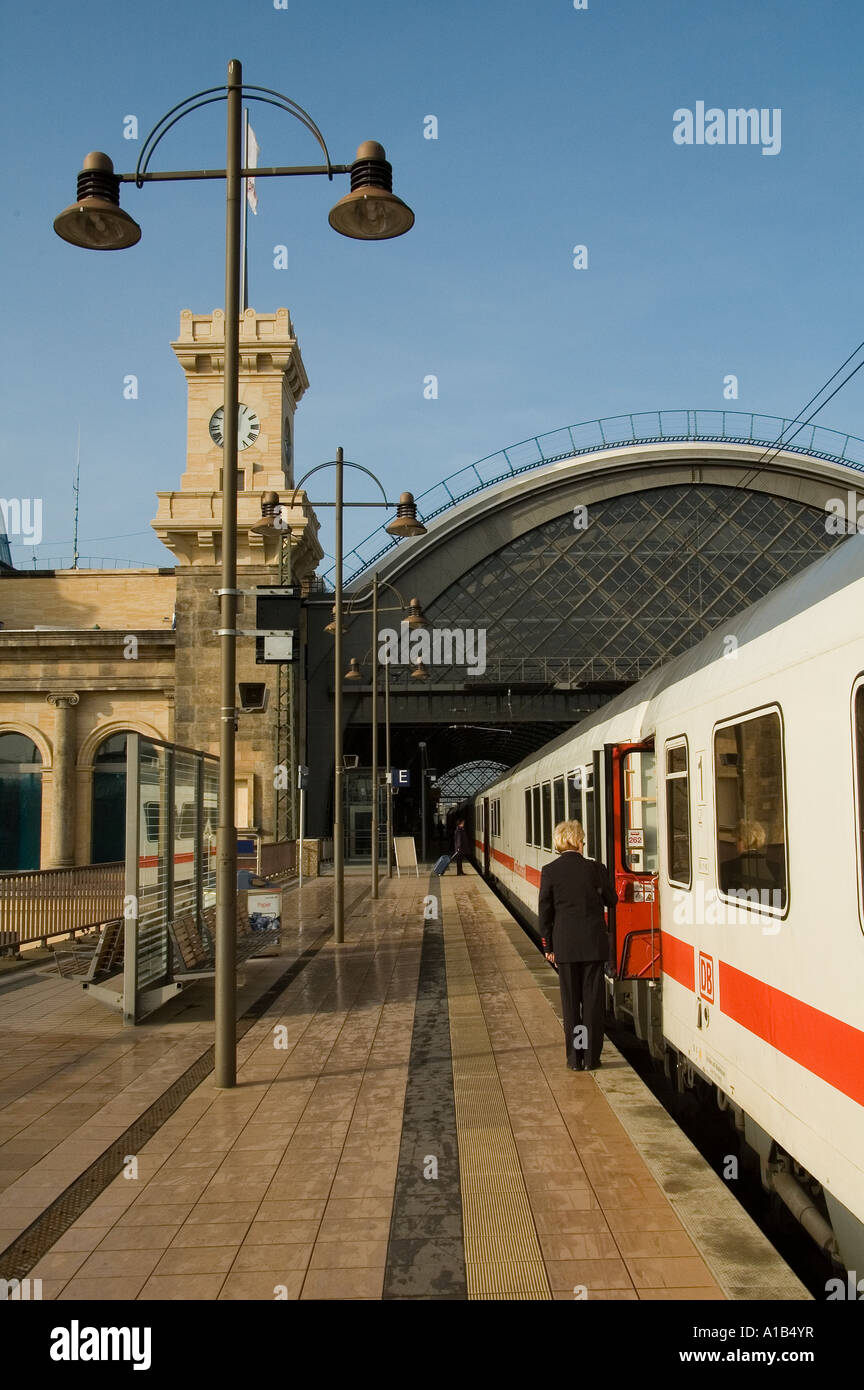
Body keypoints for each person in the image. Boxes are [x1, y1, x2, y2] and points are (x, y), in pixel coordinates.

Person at [539, 820, 616, 1072]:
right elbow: (611, 901)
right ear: (578, 840)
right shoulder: (595, 869)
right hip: (593, 946)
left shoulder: (549, 871)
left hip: (566, 947)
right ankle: (592, 1058)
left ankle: (575, 1058)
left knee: (571, 1005)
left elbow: (545, 913)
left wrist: (548, 946)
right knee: (592, 1004)